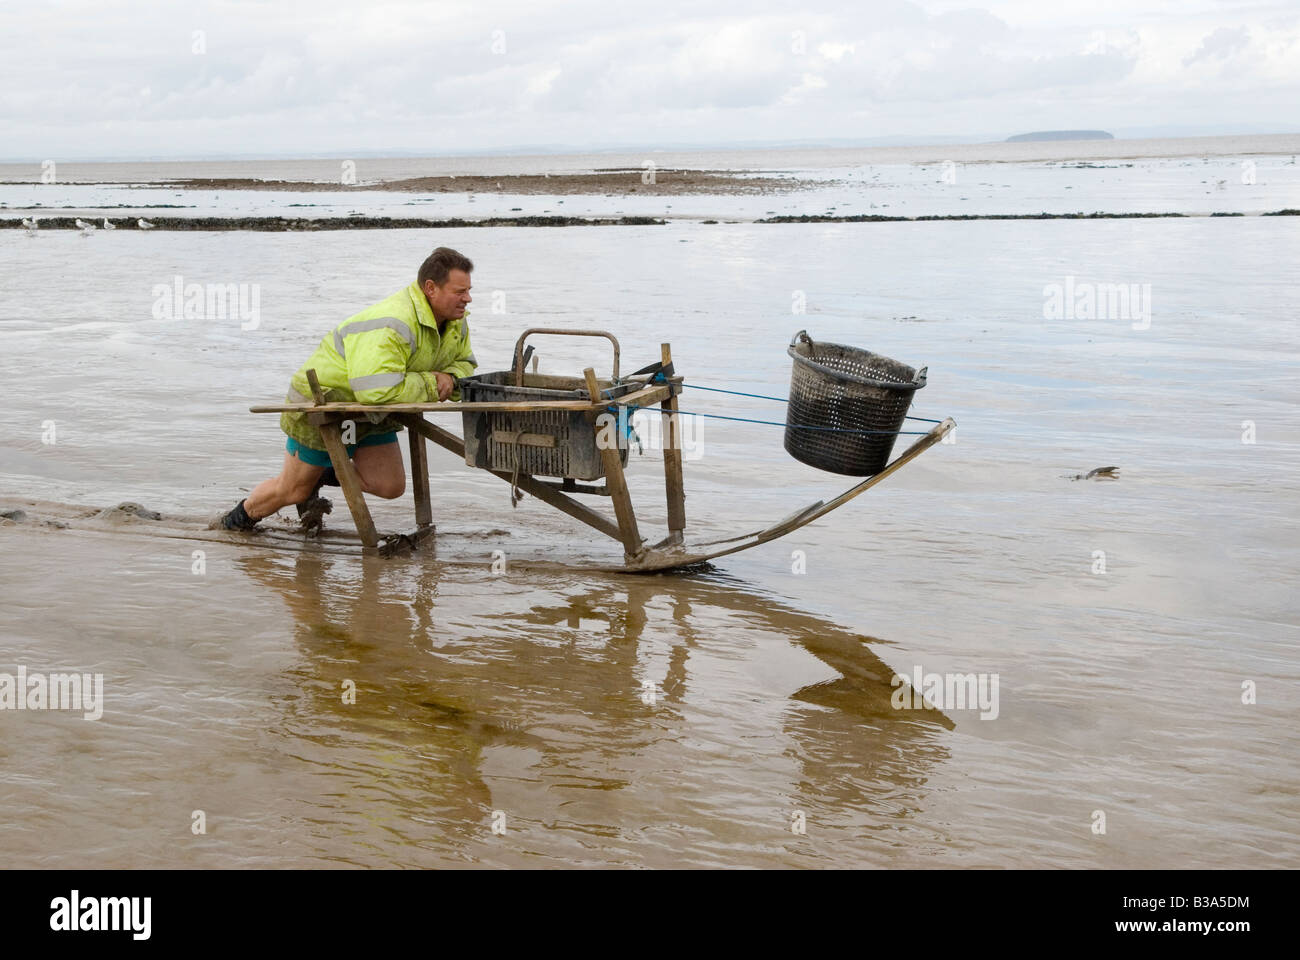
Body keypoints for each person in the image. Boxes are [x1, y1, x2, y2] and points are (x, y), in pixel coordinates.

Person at [216, 247, 477, 532]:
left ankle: (322, 474)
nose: (467, 298)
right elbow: (376, 391)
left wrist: (450, 378)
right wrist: (431, 382)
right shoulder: (394, 322)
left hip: (369, 410)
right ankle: (235, 523)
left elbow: (465, 362)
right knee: (292, 491)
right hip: (324, 401)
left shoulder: (455, 323)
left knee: (389, 486)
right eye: (459, 291)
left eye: (468, 290)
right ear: (430, 288)